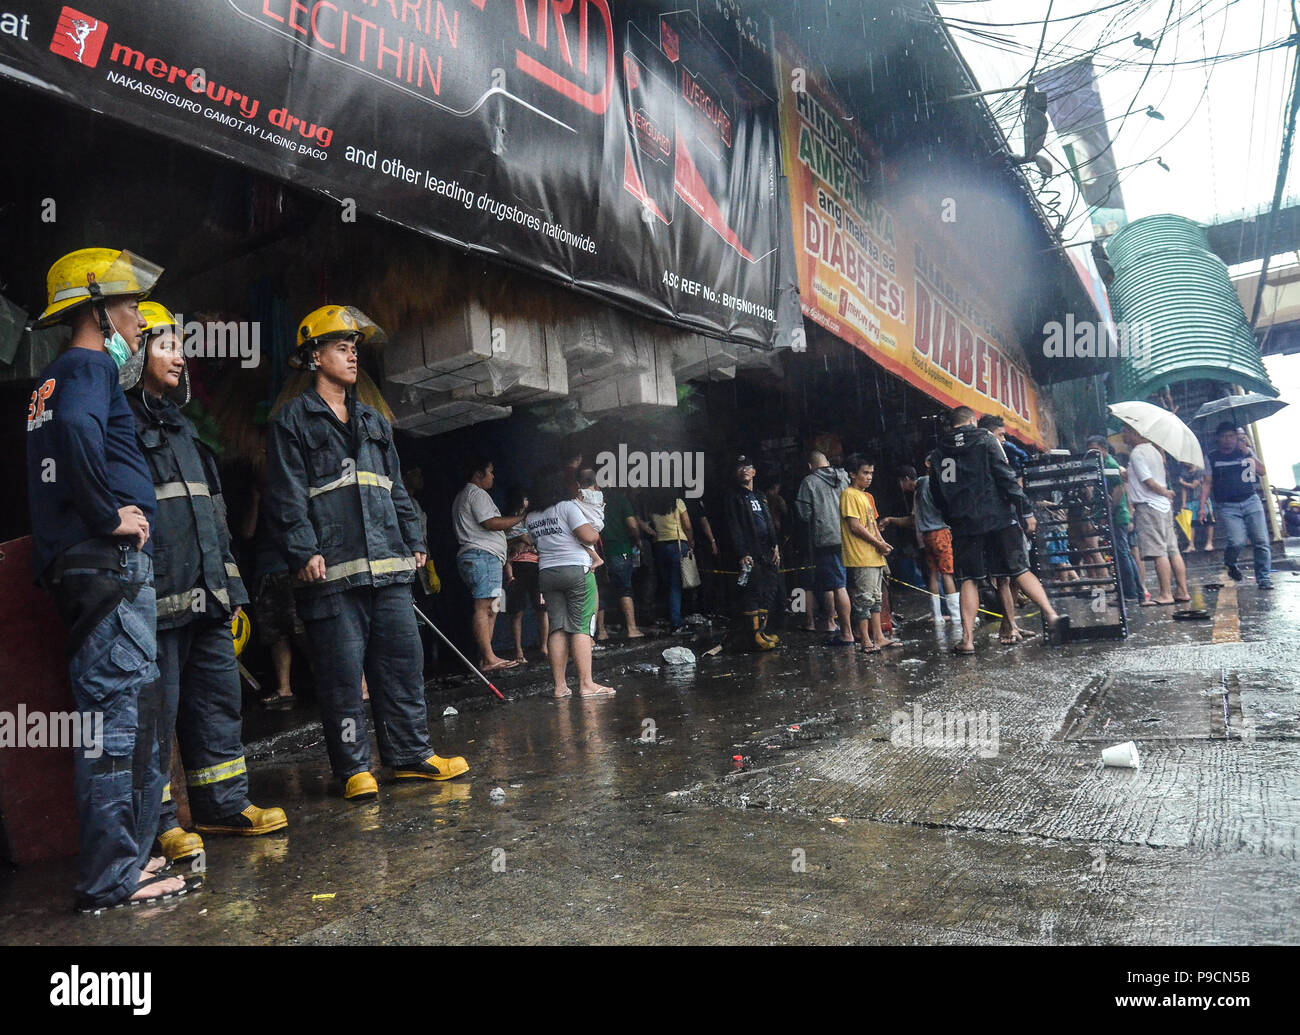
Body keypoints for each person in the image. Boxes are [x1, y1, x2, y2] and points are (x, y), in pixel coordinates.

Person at [26, 247, 196, 909]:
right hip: (106, 568)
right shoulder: (90, 366)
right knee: (120, 724)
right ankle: (110, 877)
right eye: (126, 305)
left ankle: (127, 865)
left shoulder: (55, 376)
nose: (135, 319)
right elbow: (76, 431)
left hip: (84, 570)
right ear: (96, 309)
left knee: (126, 717)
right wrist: (109, 515)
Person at [266, 304, 467, 801]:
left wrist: (415, 540)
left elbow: (395, 487)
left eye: (355, 348)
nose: (353, 355)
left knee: (401, 667)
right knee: (341, 679)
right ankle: (353, 768)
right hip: (331, 573)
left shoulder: (374, 421)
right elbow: (286, 494)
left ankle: (411, 757)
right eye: (341, 347)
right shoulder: (291, 420)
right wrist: (302, 549)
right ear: (313, 355)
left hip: (389, 570)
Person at [123, 303, 287, 858]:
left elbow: (215, 518)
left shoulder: (185, 429)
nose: (179, 356)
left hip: (210, 600)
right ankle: (161, 822)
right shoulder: (118, 424)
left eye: (179, 346)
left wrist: (234, 592)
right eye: (165, 344)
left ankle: (223, 808)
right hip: (155, 603)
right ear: (133, 352)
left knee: (218, 706)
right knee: (155, 717)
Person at [928, 407, 1067, 653]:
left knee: (969, 579)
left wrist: (952, 513)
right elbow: (1006, 476)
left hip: (964, 523)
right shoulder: (985, 439)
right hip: (998, 518)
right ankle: (1052, 615)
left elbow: (939, 492)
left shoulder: (940, 453)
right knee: (1019, 569)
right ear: (972, 421)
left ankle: (968, 640)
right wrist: (1024, 509)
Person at [525, 466, 615, 698]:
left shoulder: (532, 517)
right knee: (581, 626)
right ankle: (586, 684)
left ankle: (560, 686)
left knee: (557, 627)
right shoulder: (567, 507)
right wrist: (595, 532)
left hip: (547, 573)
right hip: (575, 570)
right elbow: (589, 537)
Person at [452, 456, 524, 672]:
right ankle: (488, 657)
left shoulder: (467, 495)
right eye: (490, 472)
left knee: (493, 606)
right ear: (478, 474)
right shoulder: (477, 494)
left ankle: (487, 657)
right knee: (485, 607)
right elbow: (490, 523)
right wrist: (519, 518)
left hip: (486, 558)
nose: (493, 476)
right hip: (482, 557)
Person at [881, 461, 960, 625]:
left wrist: (890, 520)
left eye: (901, 482)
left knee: (933, 573)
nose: (901, 487)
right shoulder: (923, 487)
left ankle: (938, 616)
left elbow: (912, 520)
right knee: (946, 573)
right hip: (939, 533)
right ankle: (956, 616)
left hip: (927, 537)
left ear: (907, 478)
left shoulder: (924, 484)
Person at [1121, 424, 1192, 605]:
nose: (1123, 435)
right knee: (1172, 550)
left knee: (1159, 551)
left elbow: (1148, 481)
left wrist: (1164, 492)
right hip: (1163, 507)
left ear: (1134, 433)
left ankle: (1165, 594)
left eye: (1125, 431)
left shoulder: (1137, 453)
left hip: (1149, 506)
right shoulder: (1155, 451)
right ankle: (1182, 591)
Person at [1203, 421, 1272, 589]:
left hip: (1251, 500)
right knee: (1236, 541)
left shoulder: (1245, 452)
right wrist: (1202, 506)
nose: (1228, 440)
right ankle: (1230, 562)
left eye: (1231, 436)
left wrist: (1248, 452)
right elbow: (1207, 482)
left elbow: (1262, 472)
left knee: (1261, 540)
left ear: (1237, 437)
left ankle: (1263, 578)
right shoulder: (1211, 457)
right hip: (1228, 506)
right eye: (1224, 437)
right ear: (1218, 438)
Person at [793, 451, 853, 643]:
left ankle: (845, 633)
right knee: (842, 582)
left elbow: (803, 514)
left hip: (827, 540)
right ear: (827, 463)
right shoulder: (844, 477)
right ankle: (845, 627)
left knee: (837, 586)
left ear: (811, 466)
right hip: (849, 537)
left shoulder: (809, 482)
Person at [841, 455, 899, 652]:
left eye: (871, 473)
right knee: (864, 600)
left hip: (874, 555)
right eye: (865, 473)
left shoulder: (866, 497)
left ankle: (879, 637)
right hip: (860, 556)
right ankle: (866, 640)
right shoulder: (849, 494)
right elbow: (855, 526)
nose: (869, 477)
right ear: (852, 474)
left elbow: (873, 525)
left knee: (876, 599)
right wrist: (878, 543)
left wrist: (882, 544)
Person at [724, 455, 781, 651]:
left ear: (754, 471)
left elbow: (769, 522)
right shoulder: (734, 497)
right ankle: (753, 635)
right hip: (751, 551)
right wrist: (742, 553)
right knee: (753, 592)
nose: (744, 470)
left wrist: (776, 546)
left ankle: (762, 631)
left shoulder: (760, 495)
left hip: (767, 550)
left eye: (747, 467)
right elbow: (734, 527)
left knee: (768, 590)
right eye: (740, 468)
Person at [1084, 435, 1142, 603]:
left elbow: (1117, 491)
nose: (1091, 453)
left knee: (1121, 555)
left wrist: (1108, 513)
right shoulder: (1101, 464)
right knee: (1125, 554)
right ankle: (1135, 591)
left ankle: (1129, 594)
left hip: (1117, 517)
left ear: (1104, 449)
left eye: (1094, 449)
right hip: (1117, 515)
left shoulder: (1110, 465)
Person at [503, 487, 547, 662]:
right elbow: (503, 543)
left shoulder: (534, 519)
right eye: (525, 499)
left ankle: (544, 647)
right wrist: (519, 539)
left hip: (536, 567)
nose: (527, 502)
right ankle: (519, 652)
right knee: (517, 612)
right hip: (517, 567)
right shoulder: (507, 521)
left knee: (542, 610)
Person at [600, 487, 645, 638]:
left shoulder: (593, 500)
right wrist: (638, 540)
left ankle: (601, 632)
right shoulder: (620, 499)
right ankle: (632, 629)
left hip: (600, 552)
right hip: (621, 549)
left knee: (600, 592)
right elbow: (632, 525)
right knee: (624, 589)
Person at [646, 491, 694, 634]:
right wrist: (691, 543)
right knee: (676, 585)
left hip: (660, 546)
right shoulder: (678, 502)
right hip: (677, 545)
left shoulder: (652, 505)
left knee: (667, 584)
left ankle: (671, 616)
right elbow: (687, 525)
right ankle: (676, 622)